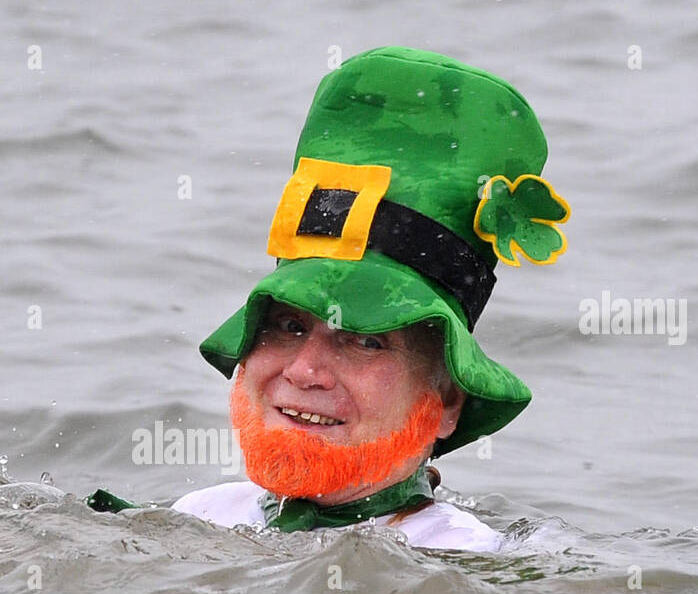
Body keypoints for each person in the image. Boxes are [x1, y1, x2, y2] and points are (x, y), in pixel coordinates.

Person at [92, 46, 570, 552]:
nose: (303, 371)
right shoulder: (200, 514)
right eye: (289, 326)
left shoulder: (452, 558)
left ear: (447, 400)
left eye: (365, 341)